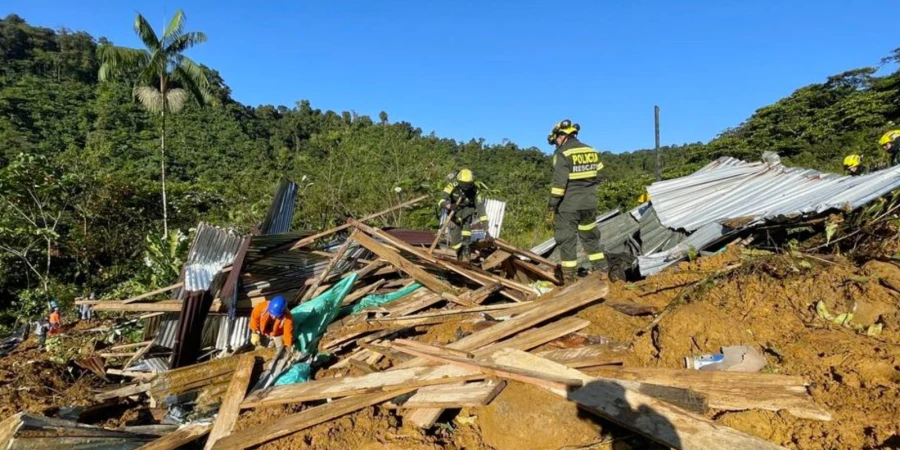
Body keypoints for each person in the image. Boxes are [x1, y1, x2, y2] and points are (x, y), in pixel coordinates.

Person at [546, 119, 607, 284]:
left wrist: (552, 206)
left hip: (569, 206)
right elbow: (601, 175)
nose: (556, 144)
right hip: (589, 203)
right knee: (591, 238)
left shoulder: (562, 153)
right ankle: (602, 273)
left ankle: (569, 280)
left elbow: (559, 185)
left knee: (566, 240)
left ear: (561, 136)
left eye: (556, 140)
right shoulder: (591, 150)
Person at [439, 169, 489, 261]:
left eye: (467, 184)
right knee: (456, 241)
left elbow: (481, 210)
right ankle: (458, 255)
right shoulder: (452, 185)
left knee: (466, 236)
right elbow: (441, 201)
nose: (465, 186)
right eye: (463, 184)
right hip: (454, 214)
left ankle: (466, 253)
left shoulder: (475, 191)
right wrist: (449, 206)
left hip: (467, 214)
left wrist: (486, 230)